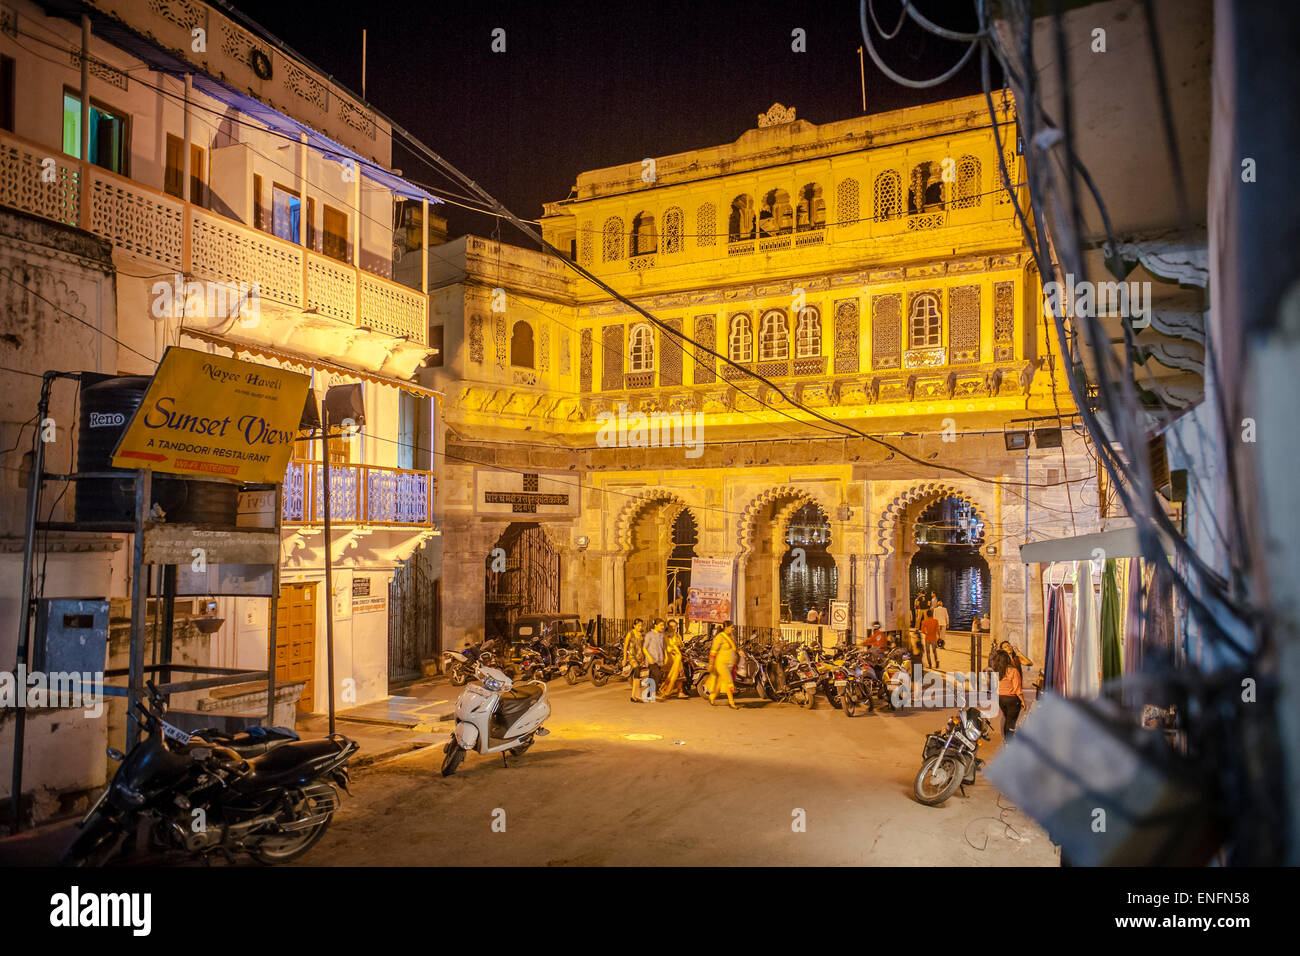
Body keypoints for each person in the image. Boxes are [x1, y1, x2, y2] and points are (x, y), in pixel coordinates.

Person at [994, 645, 1026, 740]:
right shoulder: (1013, 671)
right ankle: (1009, 741)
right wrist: (1022, 701)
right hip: (1012, 699)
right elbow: (1017, 688)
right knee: (1011, 721)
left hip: (1001, 698)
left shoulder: (997, 672)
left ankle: (1006, 739)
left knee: (1007, 719)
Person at [706, 620, 739, 709]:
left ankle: (712, 697)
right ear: (726, 627)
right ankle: (731, 703)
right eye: (731, 627)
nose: (733, 629)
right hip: (721, 663)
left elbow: (733, 649)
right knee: (729, 682)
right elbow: (713, 651)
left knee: (720, 683)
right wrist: (711, 664)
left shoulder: (731, 637)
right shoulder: (720, 637)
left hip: (729, 664)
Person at [658, 621, 688, 699]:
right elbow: (664, 646)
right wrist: (671, 649)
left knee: (679, 675)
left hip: (678, 657)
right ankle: (664, 690)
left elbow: (682, 645)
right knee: (669, 676)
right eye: (671, 626)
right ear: (668, 626)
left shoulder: (677, 635)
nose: (673, 628)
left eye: (675, 626)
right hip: (670, 658)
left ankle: (680, 692)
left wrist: (680, 645)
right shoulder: (665, 635)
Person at [642, 618, 667, 697]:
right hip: (652, 659)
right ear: (655, 625)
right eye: (661, 625)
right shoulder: (649, 635)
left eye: (663, 625)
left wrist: (665, 656)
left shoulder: (662, 635)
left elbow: (664, 647)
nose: (662, 627)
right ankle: (653, 692)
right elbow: (644, 648)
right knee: (658, 675)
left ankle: (649, 694)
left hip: (659, 659)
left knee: (653, 676)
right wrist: (649, 658)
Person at [623, 619, 646, 702]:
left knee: (638, 675)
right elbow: (625, 646)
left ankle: (634, 695)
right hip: (632, 656)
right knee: (636, 671)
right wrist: (624, 658)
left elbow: (643, 646)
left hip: (640, 656)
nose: (640, 627)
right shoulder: (630, 634)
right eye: (639, 625)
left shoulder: (642, 634)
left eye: (641, 625)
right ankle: (636, 695)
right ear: (634, 625)